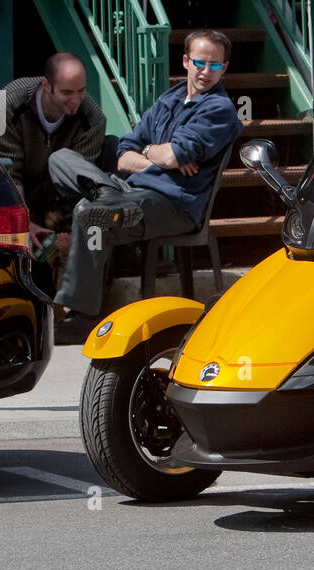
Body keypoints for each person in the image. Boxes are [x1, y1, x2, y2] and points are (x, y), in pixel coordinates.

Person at [47, 29, 242, 344]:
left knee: (89, 211)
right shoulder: (169, 100)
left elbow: (175, 153)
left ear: (225, 68)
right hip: (128, 192)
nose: (206, 72)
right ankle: (105, 193)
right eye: (200, 63)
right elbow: (124, 153)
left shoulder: (218, 110)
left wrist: (154, 152)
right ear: (186, 62)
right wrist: (158, 158)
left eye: (215, 65)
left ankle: (82, 316)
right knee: (60, 158)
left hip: (173, 204)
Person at [0, 52, 107, 262]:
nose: (76, 100)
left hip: (57, 195)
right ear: (46, 85)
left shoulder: (92, 119)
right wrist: (23, 222)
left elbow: (80, 181)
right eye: (67, 92)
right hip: (16, 191)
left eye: (81, 91)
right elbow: (8, 172)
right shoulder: (10, 103)